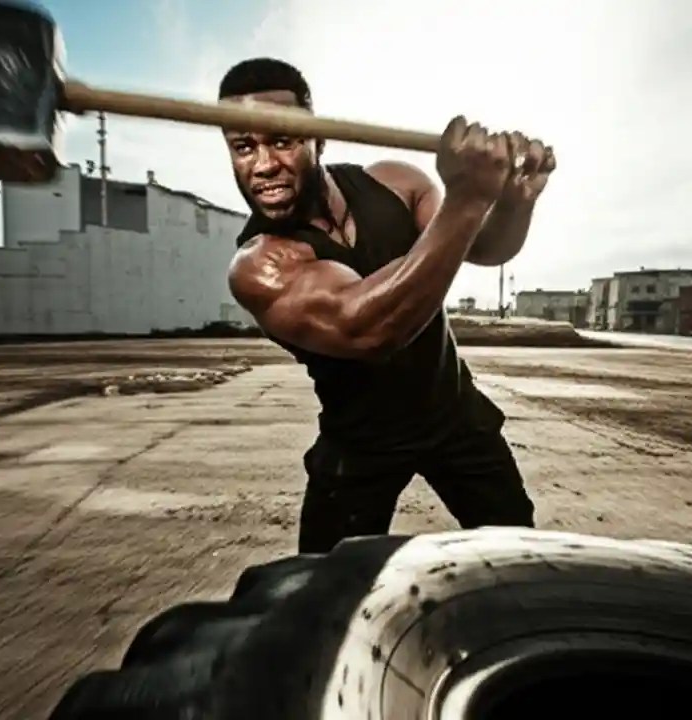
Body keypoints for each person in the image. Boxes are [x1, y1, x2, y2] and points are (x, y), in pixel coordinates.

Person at [219, 57, 556, 553]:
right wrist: (468, 198)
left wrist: (511, 201)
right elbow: (370, 330)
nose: (263, 165)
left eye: (282, 140)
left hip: (456, 418)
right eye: (243, 147)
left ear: (317, 138)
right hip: (361, 444)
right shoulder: (260, 265)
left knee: (521, 559)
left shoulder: (396, 182)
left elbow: (482, 247)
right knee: (324, 595)